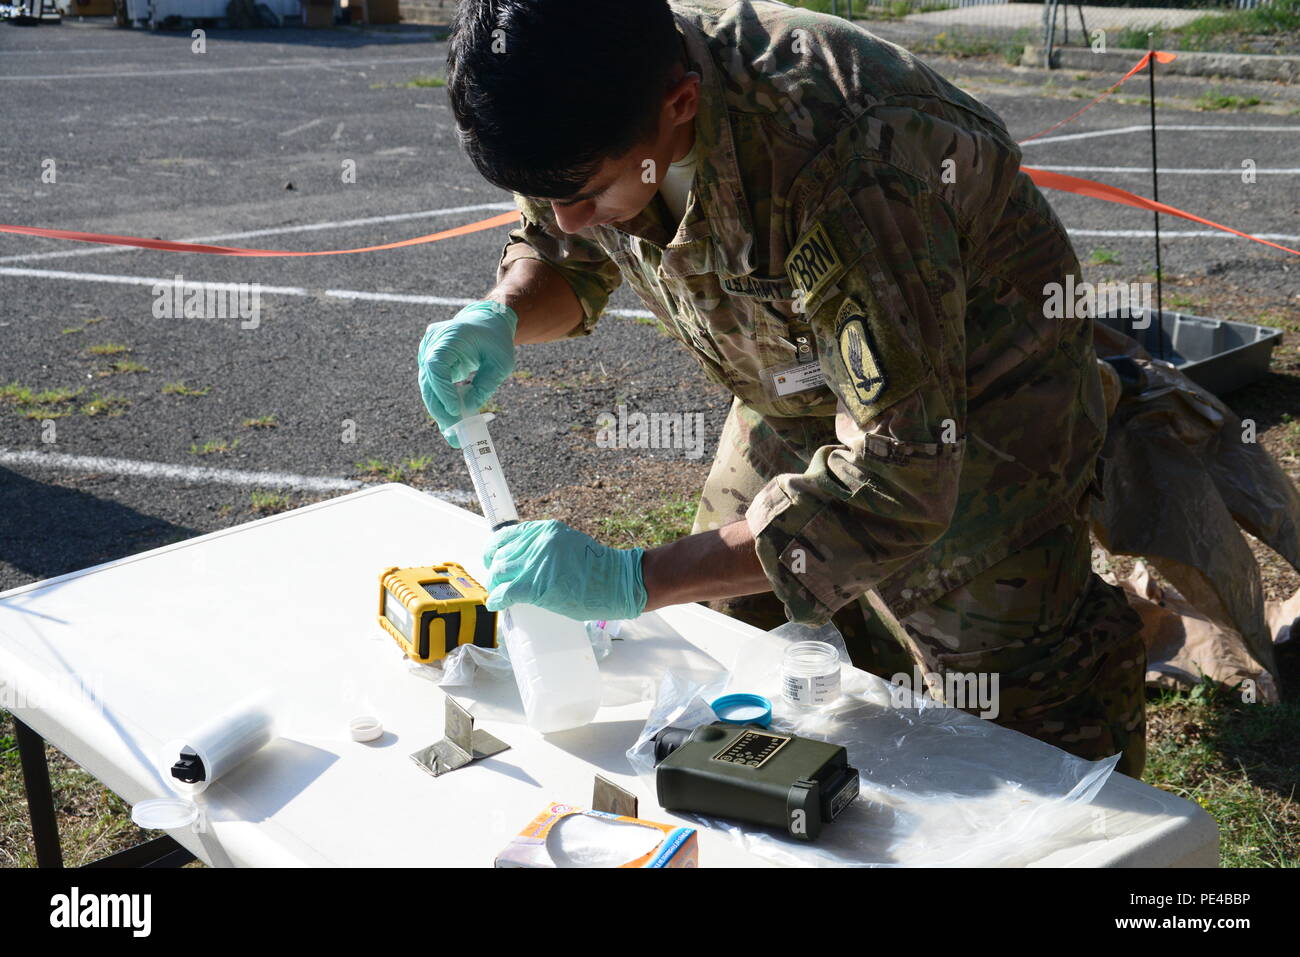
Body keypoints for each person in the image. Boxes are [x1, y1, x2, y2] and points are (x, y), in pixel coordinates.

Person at [420, 0, 1147, 776]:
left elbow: (901, 477)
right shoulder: (585, 89)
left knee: (1014, 709)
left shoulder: (846, 161)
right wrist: (505, 309)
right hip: (797, 374)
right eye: (548, 194)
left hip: (979, 396)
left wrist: (631, 578)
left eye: (584, 193)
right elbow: (563, 248)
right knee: (731, 625)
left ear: (680, 105)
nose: (566, 219)